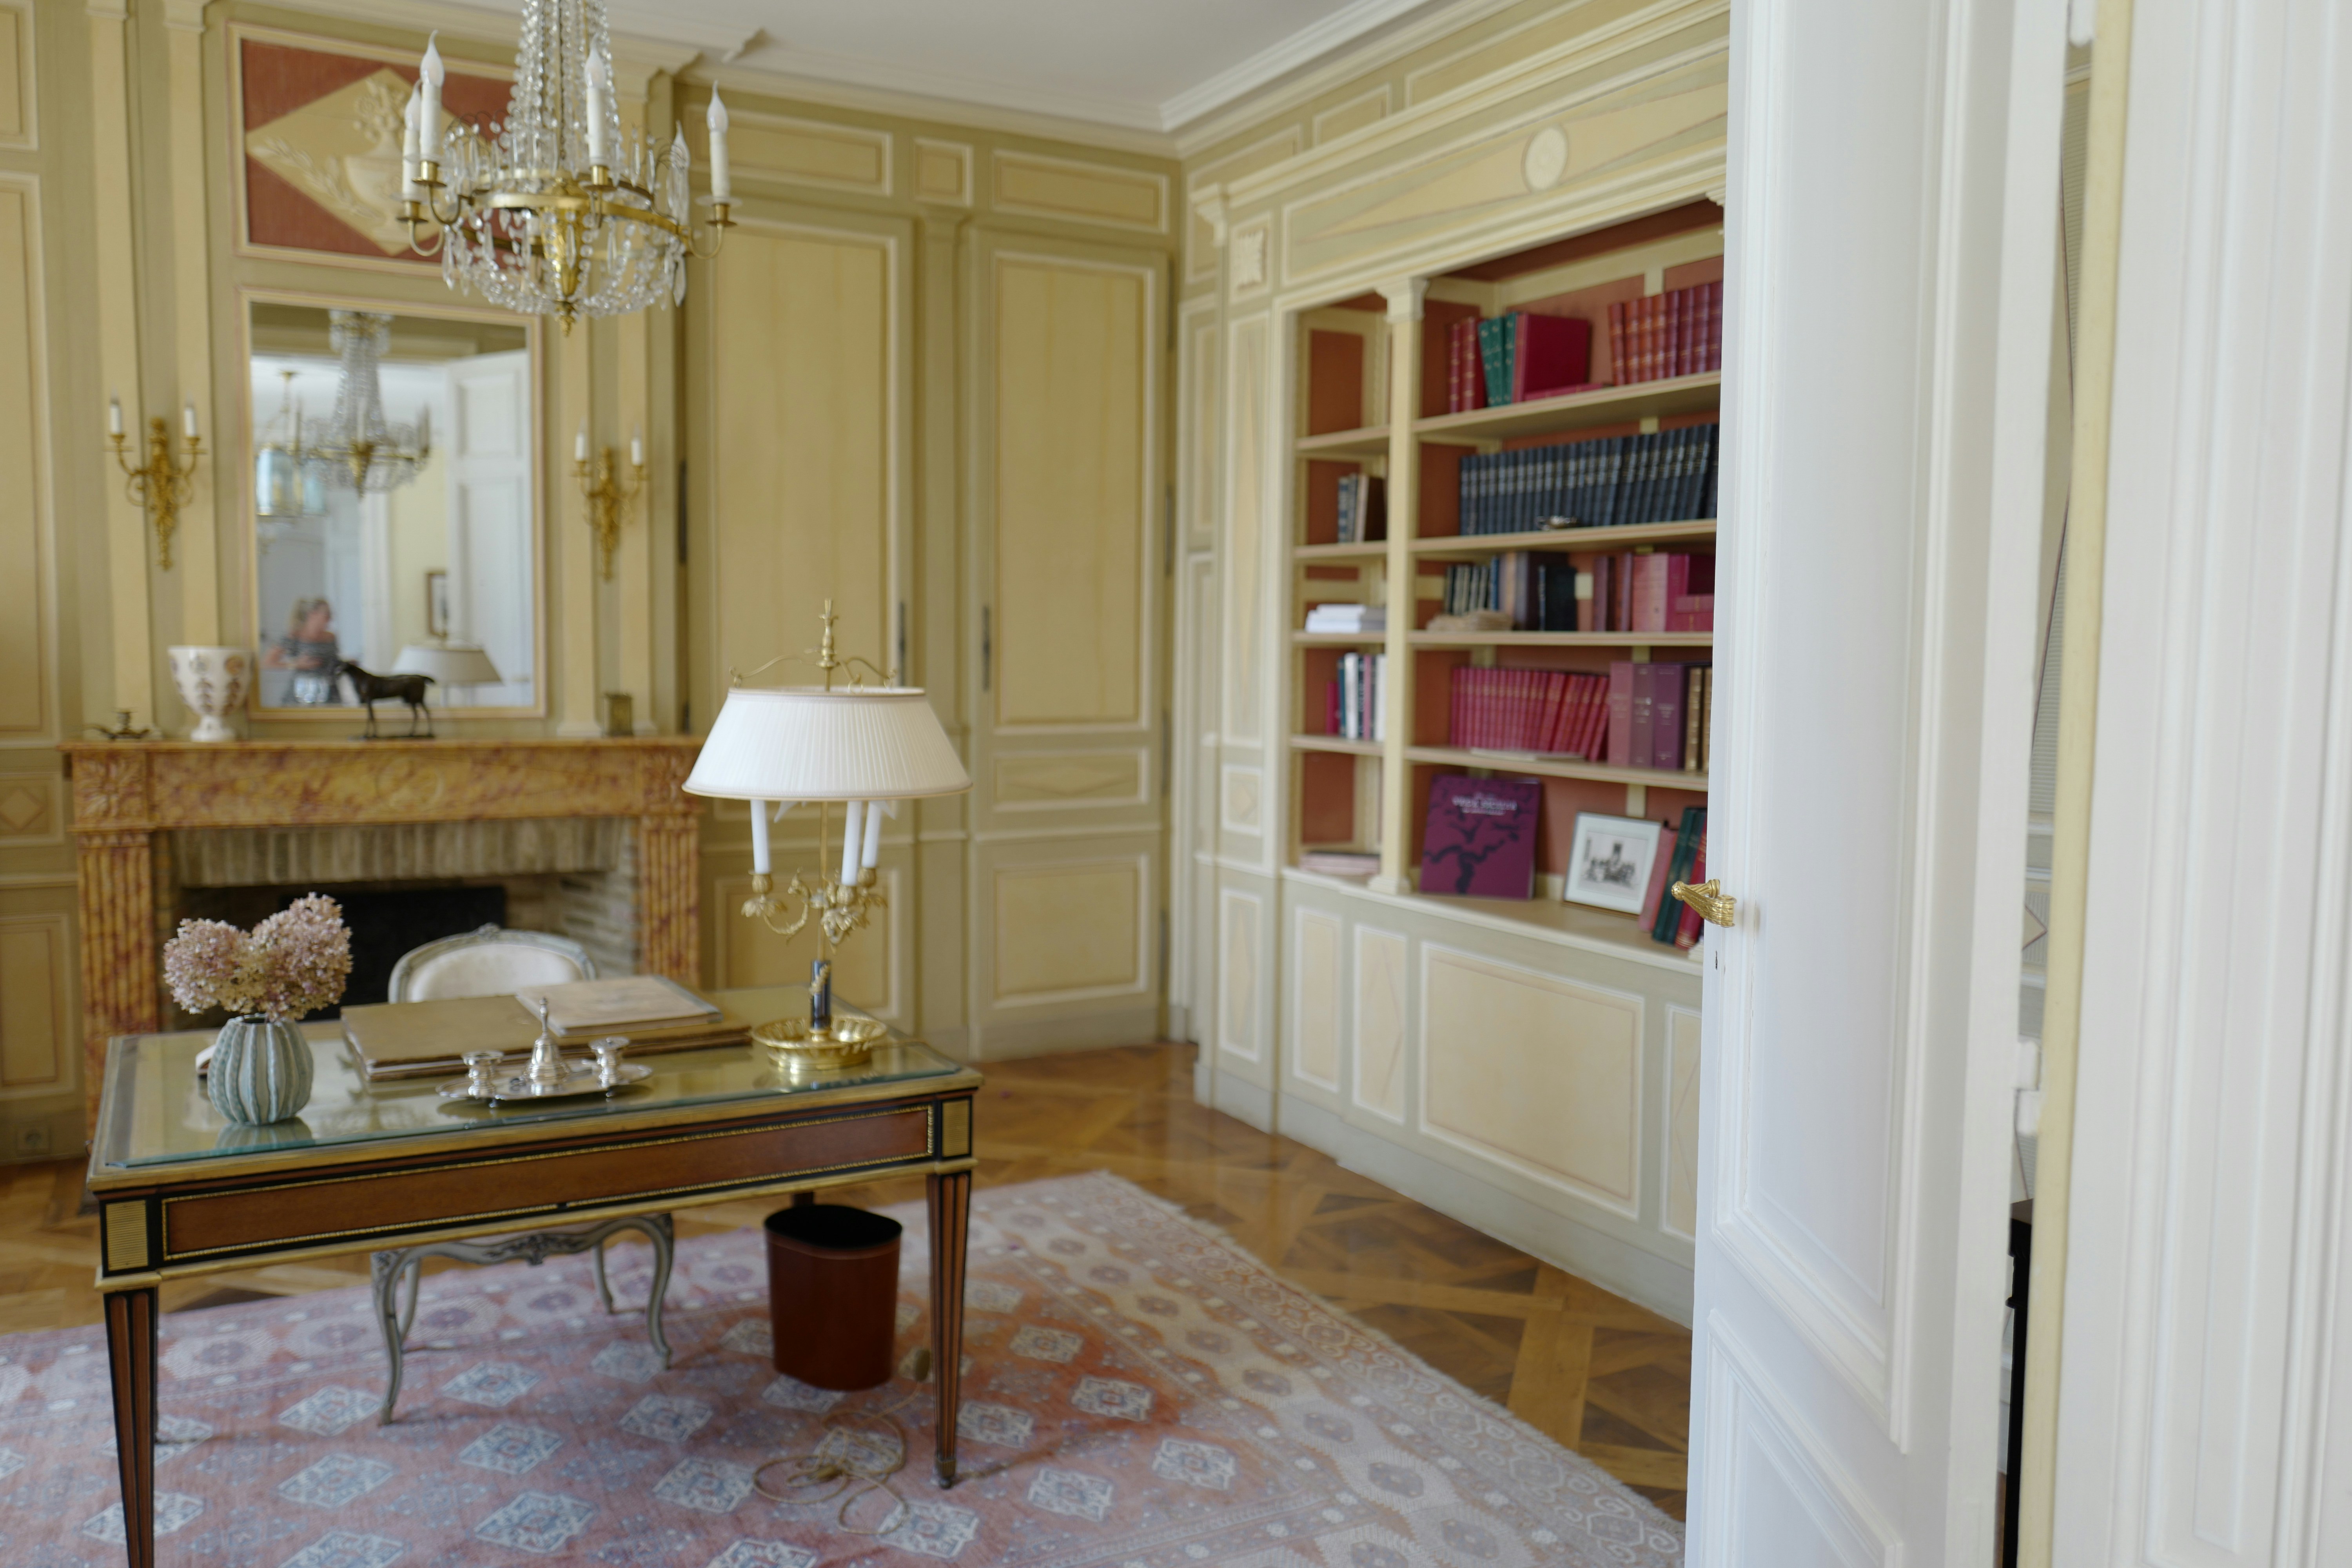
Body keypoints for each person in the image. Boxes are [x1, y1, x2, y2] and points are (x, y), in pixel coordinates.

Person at [264, 597, 343, 704]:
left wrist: (345, 664)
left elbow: (334, 662)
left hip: (329, 693)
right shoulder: (294, 636)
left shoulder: (331, 637)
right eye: (327, 614)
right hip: (302, 692)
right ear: (312, 614)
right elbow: (267, 663)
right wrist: (296, 664)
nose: (330, 618)